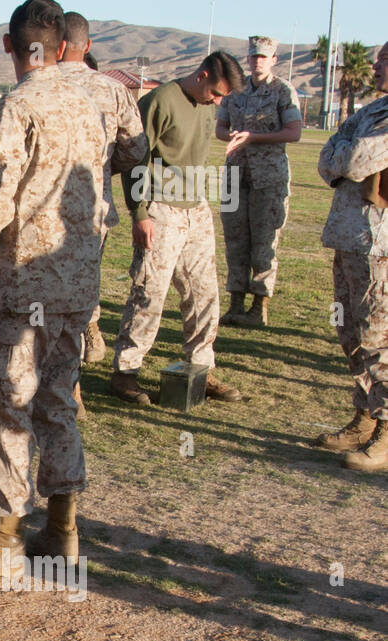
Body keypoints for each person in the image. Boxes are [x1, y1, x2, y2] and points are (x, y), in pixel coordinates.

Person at [0, 0, 106, 582]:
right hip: (79, 280)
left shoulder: (20, 103)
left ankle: (7, 537)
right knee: (59, 403)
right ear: (61, 46)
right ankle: (62, 532)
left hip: (28, 281)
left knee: (9, 406)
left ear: (10, 46)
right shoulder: (93, 101)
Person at [109, 52, 247, 406]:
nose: (217, 102)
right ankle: (125, 373)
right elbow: (134, 158)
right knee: (148, 291)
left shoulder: (208, 104)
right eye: (216, 94)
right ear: (202, 76)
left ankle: (200, 368)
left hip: (196, 208)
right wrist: (140, 213)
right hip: (159, 209)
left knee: (204, 294)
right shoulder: (159, 101)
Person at [58, 12, 149, 398]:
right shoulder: (113, 90)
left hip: (37, 214)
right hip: (92, 210)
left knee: (40, 300)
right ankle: (72, 387)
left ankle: (51, 380)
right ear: (88, 46)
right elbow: (137, 149)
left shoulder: (34, 86)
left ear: (55, 43)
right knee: (81, 294)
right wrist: (104, 167)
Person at [313, 40, 388, 471]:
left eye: (383, 62)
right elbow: (327, 157)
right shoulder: (370, 113)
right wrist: (343, 154)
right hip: (347, 238)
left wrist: (345, 154)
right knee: (348, 330)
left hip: (380, 246)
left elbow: (355, 159)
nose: (375, 67)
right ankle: (364, 415)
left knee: (381, 338)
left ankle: (386, 429)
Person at [215, 35, 304, 328]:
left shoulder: (283, 91)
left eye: (264, 57)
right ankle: (236, 303)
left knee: (264, 243)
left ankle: (259, 307)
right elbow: (220, 127)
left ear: (274, 60)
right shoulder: (235, 92)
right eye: (254, 56)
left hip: (269, 178)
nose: (258, 62)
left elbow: (293, 132)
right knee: (235, 240)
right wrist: (234, 137)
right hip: (235, 175)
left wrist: (253, 137)